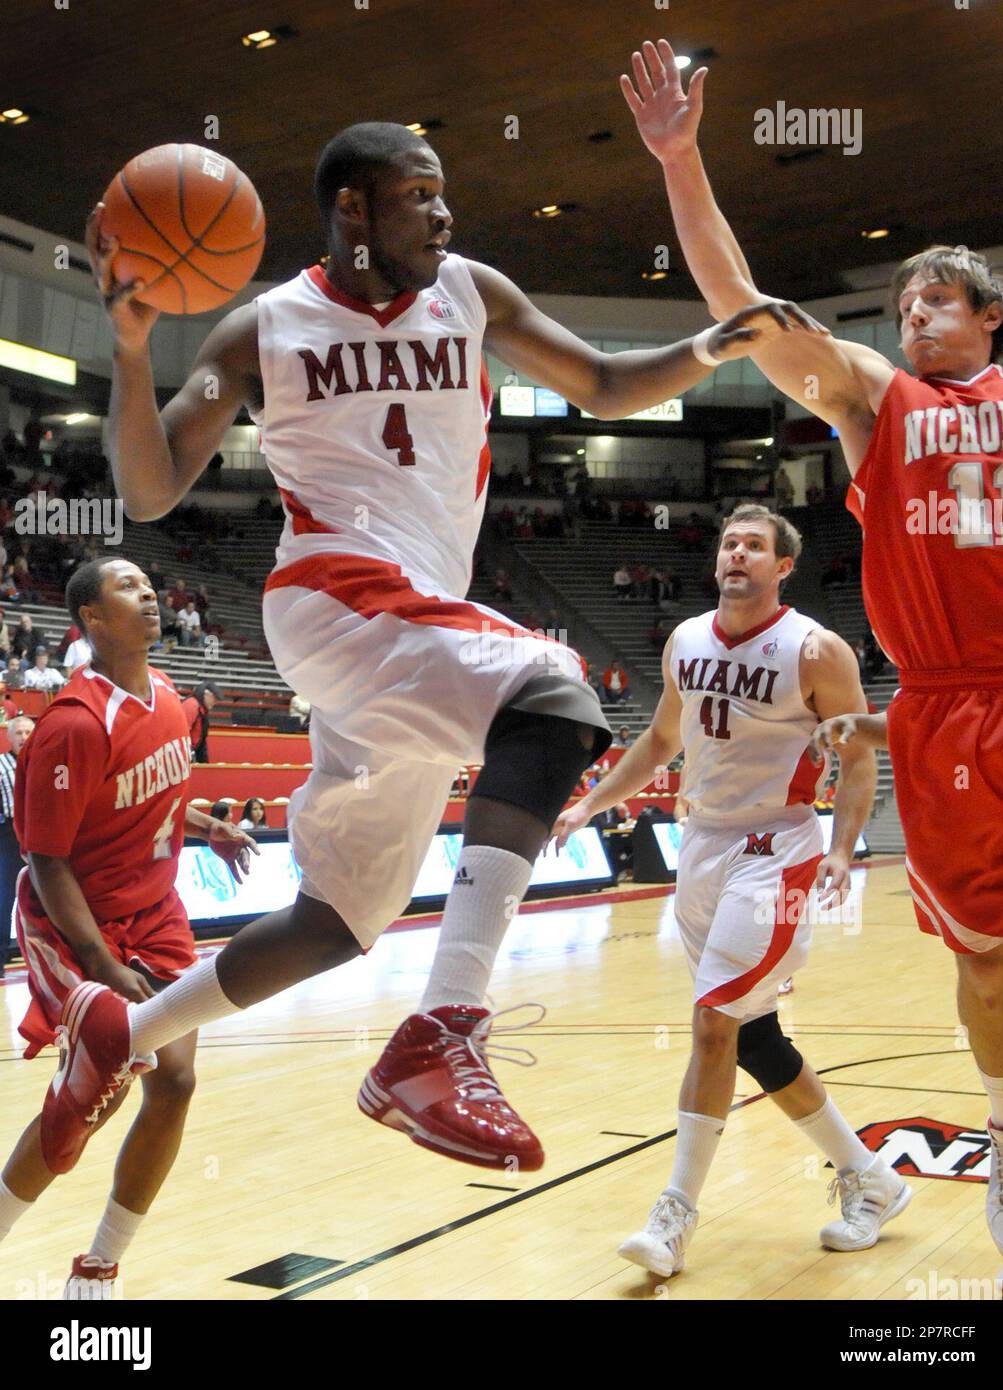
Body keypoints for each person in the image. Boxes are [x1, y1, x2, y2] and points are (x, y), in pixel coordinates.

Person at [47, 118, 823, 1183]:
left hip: (408, 627)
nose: (444, 211)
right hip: (333, 596)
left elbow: (597, 382)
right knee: (555, 691)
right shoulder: (262, 329)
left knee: (336, 919)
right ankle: (442, 1030)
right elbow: (146, 488)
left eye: (442, 192)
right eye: (419, 192)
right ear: (353, 208)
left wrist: (705, 346)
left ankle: (117, 1036)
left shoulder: (472, 290)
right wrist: (131, 351)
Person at [624, 37, 1003, 1292]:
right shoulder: (872, 401)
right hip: (952, 712)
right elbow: (741, 313)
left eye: (937, 303)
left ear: (991, 318)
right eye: (904, 305)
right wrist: (680, 159)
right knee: (990, 961)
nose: (913, 317)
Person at [553, 504, 908, 1277]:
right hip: (702, 848)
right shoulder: (685, 639)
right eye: (728, 543)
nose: (736, 553)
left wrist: (842, 851)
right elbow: (658, 740)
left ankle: (674, 1215)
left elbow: (854, 760)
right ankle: (870, 1179)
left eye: (754, 545)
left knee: (713, 1022)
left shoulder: (815, 648)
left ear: (782, 566)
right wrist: (589, 803)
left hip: (776, 848)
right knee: (752, 1039)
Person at [0, 557, 255, 1296]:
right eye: (127, 587)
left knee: (175, 1081)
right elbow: (46, 859)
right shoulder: (74, 724)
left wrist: (208, 825)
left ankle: (101, 1263)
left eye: (149, 583)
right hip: (78, 921)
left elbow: (156, 796)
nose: (148, 593)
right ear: (92, 619)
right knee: (94, 1097)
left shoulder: (171, 696)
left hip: (157, 912)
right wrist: (98, 961)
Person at [0, 715, 33, 977]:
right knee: (5, 899)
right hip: (9, 835)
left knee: (52, 898)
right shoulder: (0, 765)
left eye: (28, 732)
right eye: (18, 733)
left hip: (43, 832)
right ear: (9, 737)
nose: (23, 737)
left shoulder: (47, 761)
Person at [180, 681, 221, 764]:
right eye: (214, 698)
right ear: (206, 695)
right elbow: (182, 732)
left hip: (190, 751)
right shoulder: (192, 705)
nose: (215, 702)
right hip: (184, 753)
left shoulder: (202, 709)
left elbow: (201, 740)